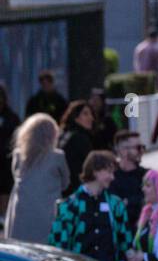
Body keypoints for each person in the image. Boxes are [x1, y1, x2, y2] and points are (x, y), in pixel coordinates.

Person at [48, 150, 133, 261]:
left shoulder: (116, 204)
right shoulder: (70, 205)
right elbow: (58, 244)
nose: (112, 177)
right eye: (109, 172)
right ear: (95, 171)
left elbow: (125, 239)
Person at [3, 114, 69, 244]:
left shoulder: (18, 155)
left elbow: (15, 175)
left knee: (20, 254)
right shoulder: (57, 157)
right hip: (47, 214)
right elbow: (66, 183)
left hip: (20, 214)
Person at [111, 129, 147, 233]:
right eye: (138, 148)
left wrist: (128, 201)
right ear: (123, 151)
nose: (142, 151)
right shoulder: (111, 177)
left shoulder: (147, 175)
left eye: (142, 147)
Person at [58, 101, 95, 195]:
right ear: (75, 117)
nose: (91, 118)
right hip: (75, 189)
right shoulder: (80, 138)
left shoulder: (63, 135)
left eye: (91, 114)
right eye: (85, 114)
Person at [0, 86, 21, 217]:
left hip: (7, 161)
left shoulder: (12, 117)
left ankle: (4, 216)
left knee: (5, 190)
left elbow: (18, 136)